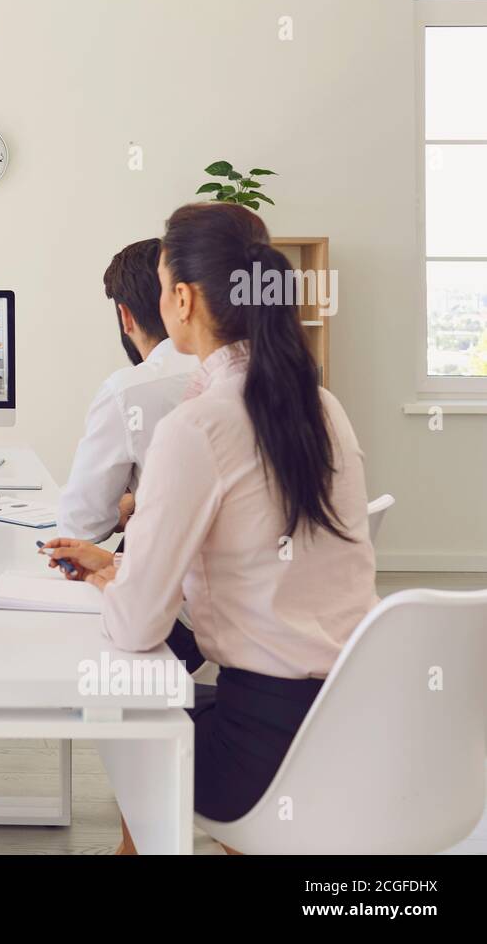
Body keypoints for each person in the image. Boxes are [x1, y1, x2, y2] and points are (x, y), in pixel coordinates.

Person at [43, 203, 378, 851]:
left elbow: (138, 626)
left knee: (120, 710)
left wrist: (116, 584)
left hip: (261, 751)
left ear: (183, 300)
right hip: (351, 727)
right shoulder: (323, 405)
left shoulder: (197, 425)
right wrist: (124, 570)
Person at [56, 239, 198, 543]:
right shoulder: (239, 370)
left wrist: (120, 507)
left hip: (174, 576)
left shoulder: (128, 391)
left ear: (125, 316)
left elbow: (81, 525)